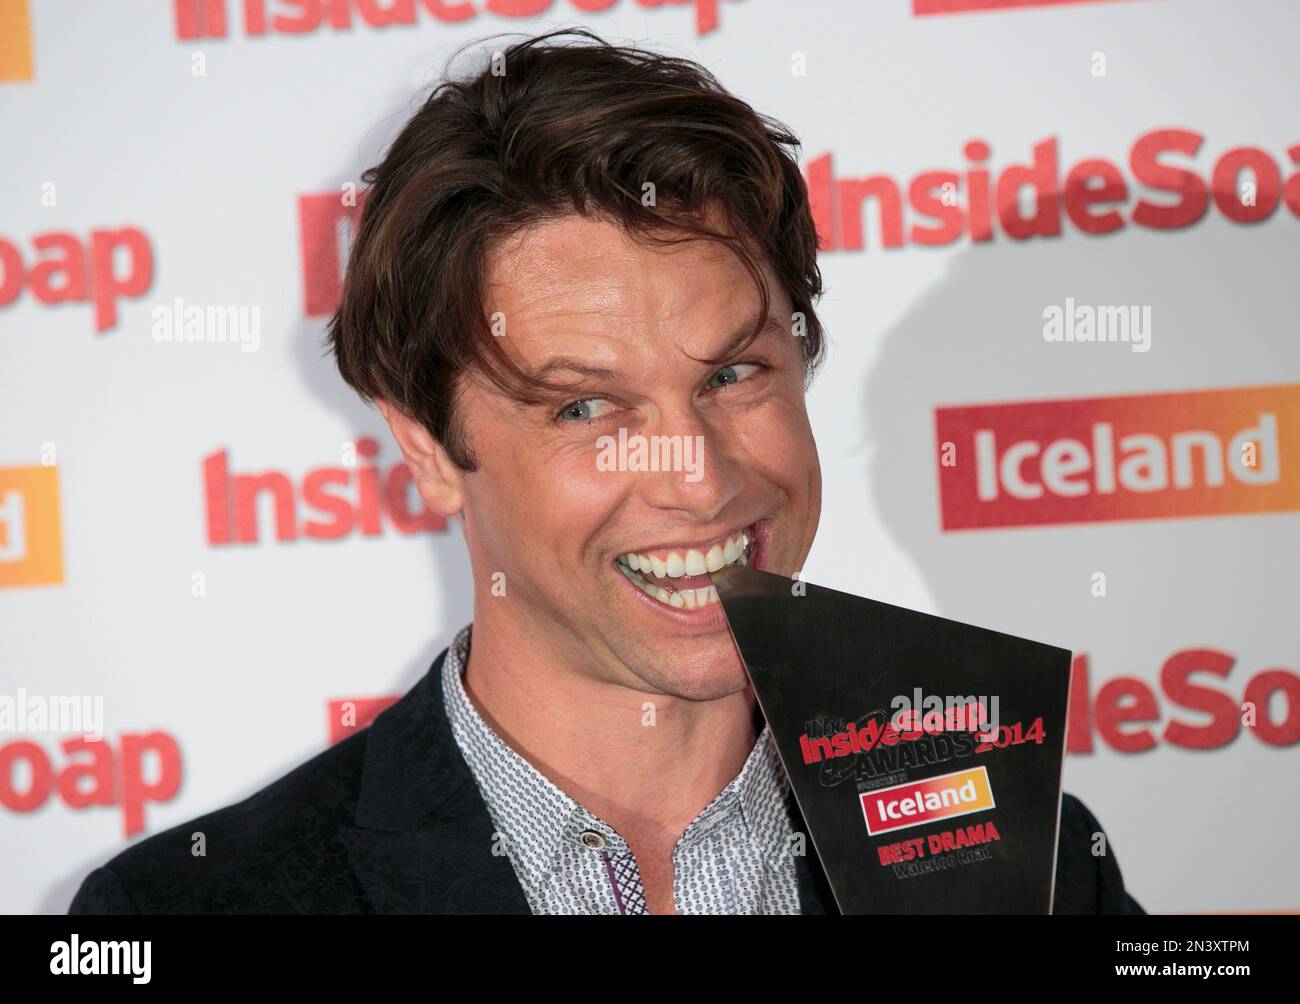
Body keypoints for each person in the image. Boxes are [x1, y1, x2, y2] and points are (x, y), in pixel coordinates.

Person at [69, 28, 1142, 916]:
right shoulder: (188, 911)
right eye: (587, 405)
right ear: (429, 450)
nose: (696, 476)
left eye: (732, 372)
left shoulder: (1021, 850)